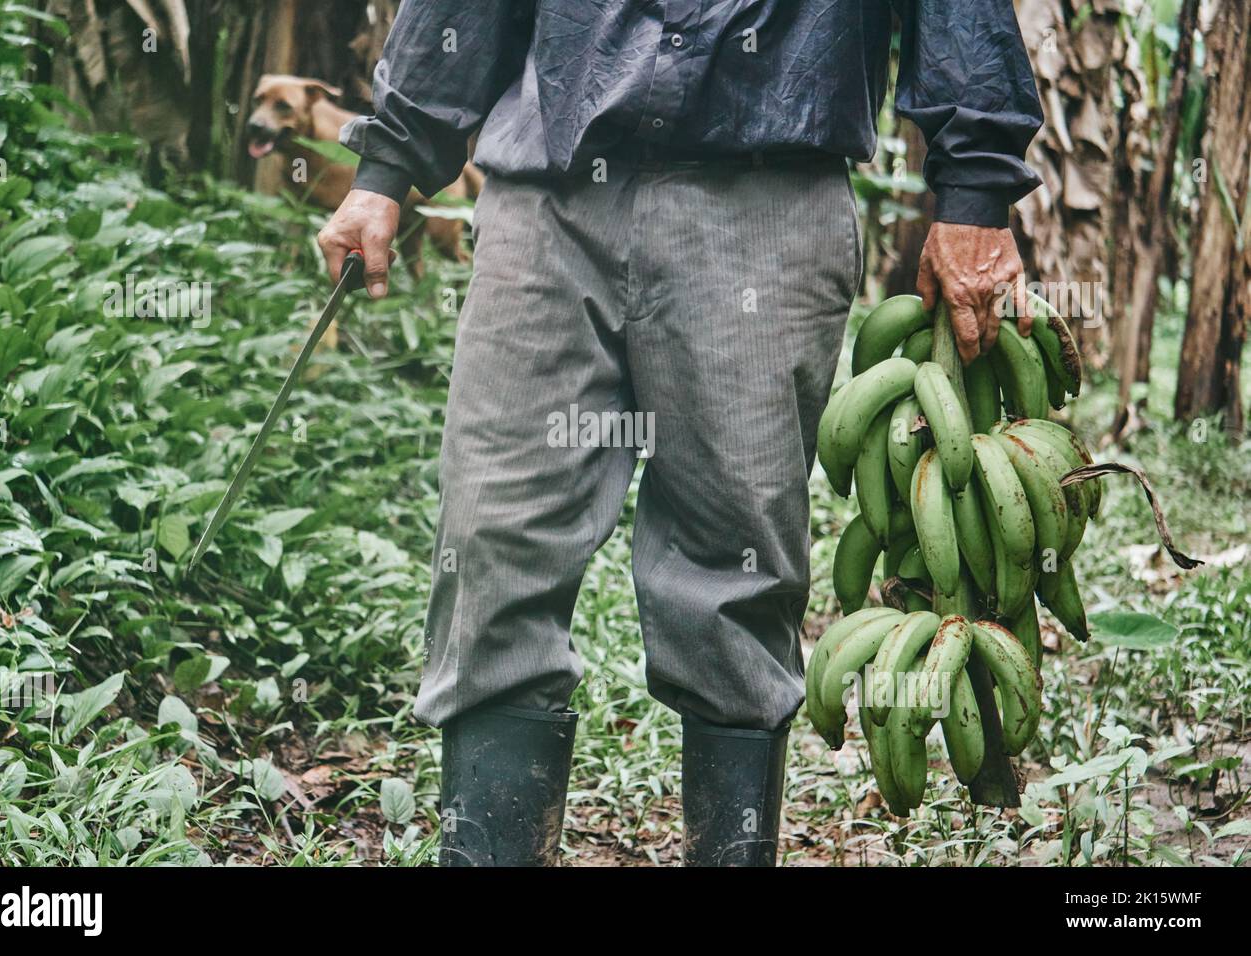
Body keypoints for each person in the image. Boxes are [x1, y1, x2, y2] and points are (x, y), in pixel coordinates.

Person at [318, 1, 1042, 867]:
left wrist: (976, 193)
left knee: (736, 564)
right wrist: (388, 163)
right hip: (550, 197)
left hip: (767, 195)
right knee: (490, 538)